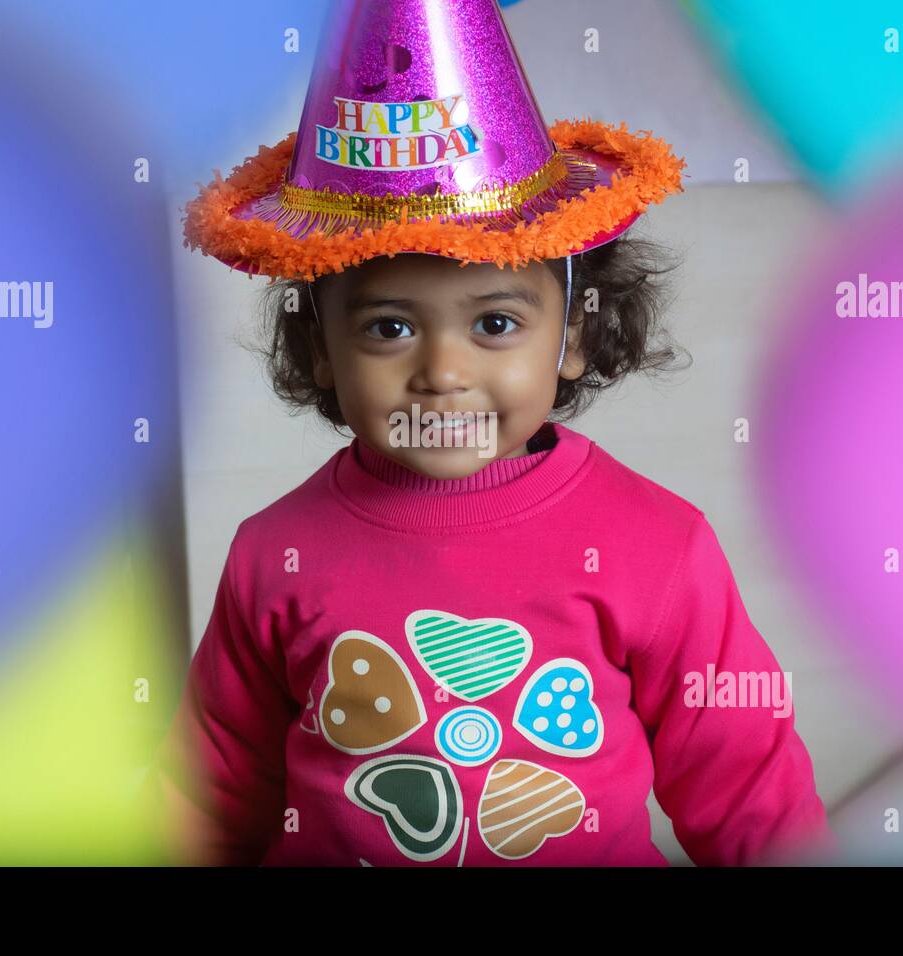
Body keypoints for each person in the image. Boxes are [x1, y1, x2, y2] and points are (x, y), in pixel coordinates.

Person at [152, 0, 834, 867]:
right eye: (390, 328)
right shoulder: (272, 555)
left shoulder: (659, 546)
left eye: (497, 324)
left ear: (576, 335)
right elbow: (210, 793)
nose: (443, 371)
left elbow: (751, 792)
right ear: (320, 348)